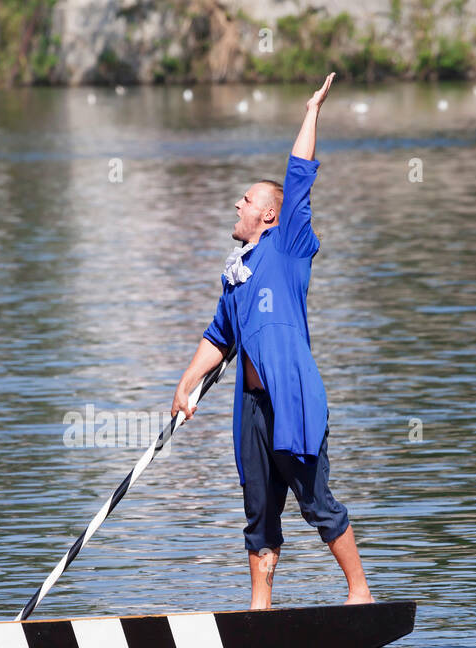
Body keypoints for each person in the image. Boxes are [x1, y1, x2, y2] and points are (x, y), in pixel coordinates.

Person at [170, 72, 373, 609]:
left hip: (292, 398)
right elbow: (219, 337)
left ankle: (359, 593)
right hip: (252, 407)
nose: (235, 206)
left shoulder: (288, 245)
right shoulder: (235, 273)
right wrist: (186, 383)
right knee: (259, 511)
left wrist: (311, 111)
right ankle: (260, 612)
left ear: (268, 214)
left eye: (244, 200)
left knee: (315, 500)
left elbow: (299, 175)